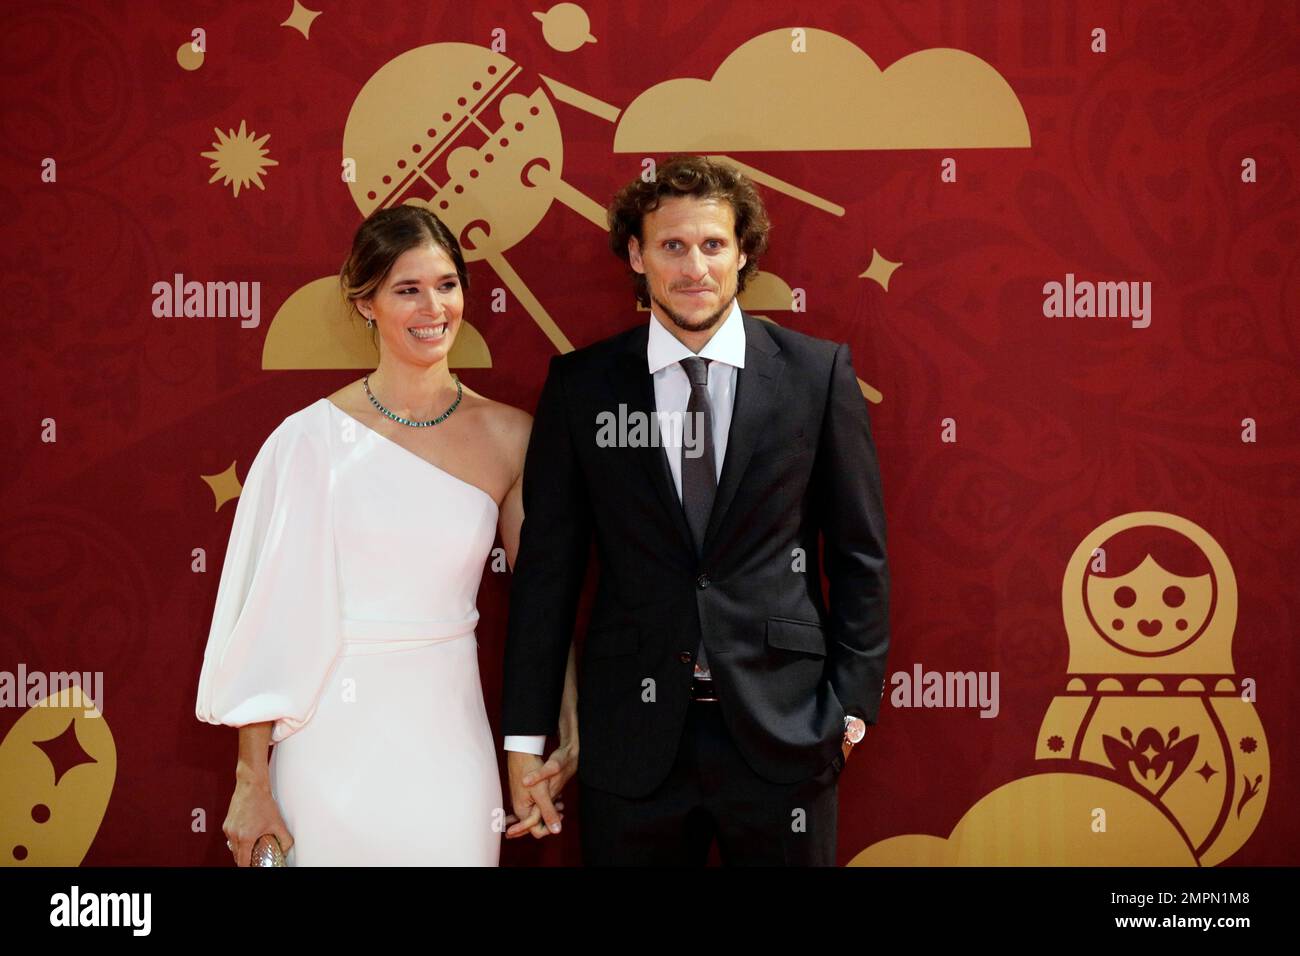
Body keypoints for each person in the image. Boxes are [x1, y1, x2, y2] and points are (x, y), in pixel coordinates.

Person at [501, 155, 890, 865]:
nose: (694, 267)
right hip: (632, 741)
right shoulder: (583, 386)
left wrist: (851, 705)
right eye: (672, 245)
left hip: (785, 731)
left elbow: (859, 554)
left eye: (713, 244)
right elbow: (548, 573)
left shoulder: (816, 373)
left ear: (744, 254)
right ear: (635, 254)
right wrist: (525, 741)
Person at [195, 205, 578, 866]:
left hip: (448, 750)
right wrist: (251, 781)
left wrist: (565, 732)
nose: (434, 307)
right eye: (407, 289)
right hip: (324, 749)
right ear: (365, 302)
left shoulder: (512, 436)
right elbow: (266, 624)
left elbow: (543, 607)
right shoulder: (305, 441)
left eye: (447, 284)